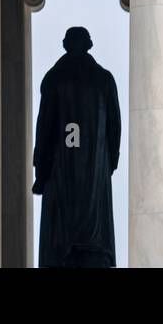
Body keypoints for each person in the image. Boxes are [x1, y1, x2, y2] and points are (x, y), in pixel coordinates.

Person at [32, 26, 122, 268]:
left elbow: (45, 129)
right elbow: (115, 129)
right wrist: (109, 163)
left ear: (65, 45)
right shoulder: (104, 79)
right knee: (93, 241)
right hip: (95, 179)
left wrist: (41, 171)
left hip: (60, 177)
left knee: (61, 243)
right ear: (89, 45)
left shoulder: (54, 79)